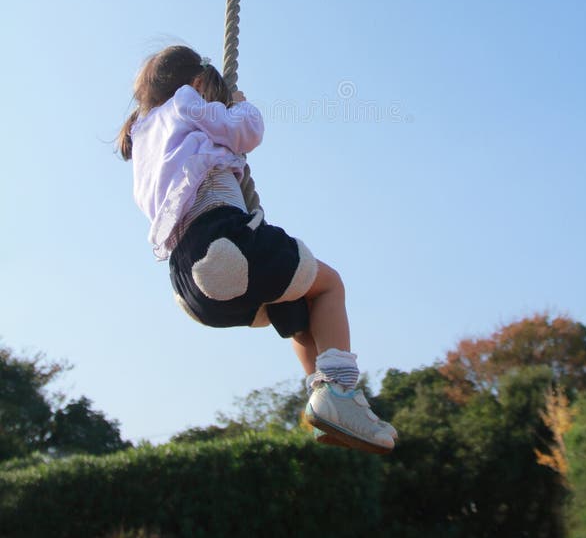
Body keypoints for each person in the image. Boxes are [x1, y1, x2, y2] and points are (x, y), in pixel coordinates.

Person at [118, 45, 396, 454]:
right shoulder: (185, 101)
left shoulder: (142, 135)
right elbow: (246, 132)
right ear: (196, 84)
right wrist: (239, 107)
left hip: (189, 282)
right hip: (223, 238)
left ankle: (324, 401)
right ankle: (339, 392)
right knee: (329, 285)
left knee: (298, 308)